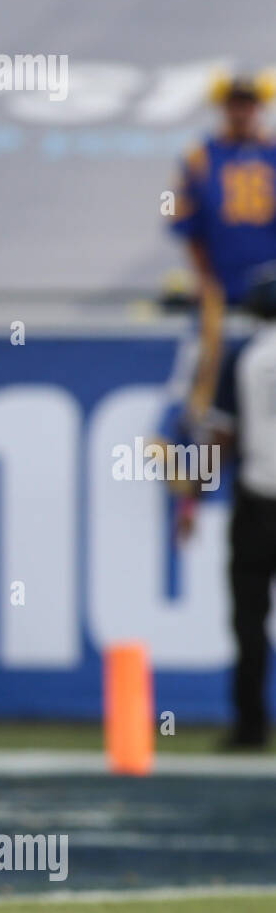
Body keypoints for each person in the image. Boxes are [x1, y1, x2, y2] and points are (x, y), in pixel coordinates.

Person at [167, 74, 276, 543]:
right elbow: (181, 221)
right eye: (235, 103)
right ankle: (187, 487)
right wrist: (204, 280)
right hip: (222, 303)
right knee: (201, 400)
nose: (242, 111)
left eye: (249, 103)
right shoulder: (199, 157)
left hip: (270, 302)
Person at [203, 266, 276, 748]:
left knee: (248, 616)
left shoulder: (245, 355)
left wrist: (192, 494)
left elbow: (222, 434)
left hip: (258, 498)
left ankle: (249, 725)